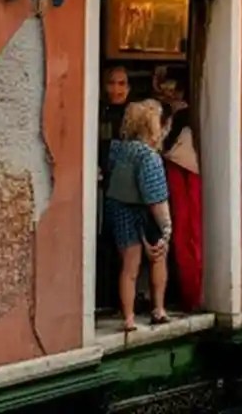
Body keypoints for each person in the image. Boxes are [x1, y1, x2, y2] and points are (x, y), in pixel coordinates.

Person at [104, 99, 173, 332]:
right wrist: (167, 227)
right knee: (158, 256)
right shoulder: (149, 157)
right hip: (142, 210)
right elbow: (155, 197)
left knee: (128, 266)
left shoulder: (119, 148)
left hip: (118, 207)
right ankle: (159, 309)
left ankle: (129, 318)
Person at [156, 74, 204, 313]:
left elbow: (162, 146)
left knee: (184, 232)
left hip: (181, 175)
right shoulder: (189, 116)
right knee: (191, 233)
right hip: (191, 175)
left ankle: (189, 292)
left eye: (169, 89)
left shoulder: (179, 118)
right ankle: (191, 292)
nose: (166, 93)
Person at [97, 66, 131, 310]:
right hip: (102, 185)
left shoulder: (134, 115)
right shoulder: (97, 112)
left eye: (122, 84)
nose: (117, 89)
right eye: (112, 83)